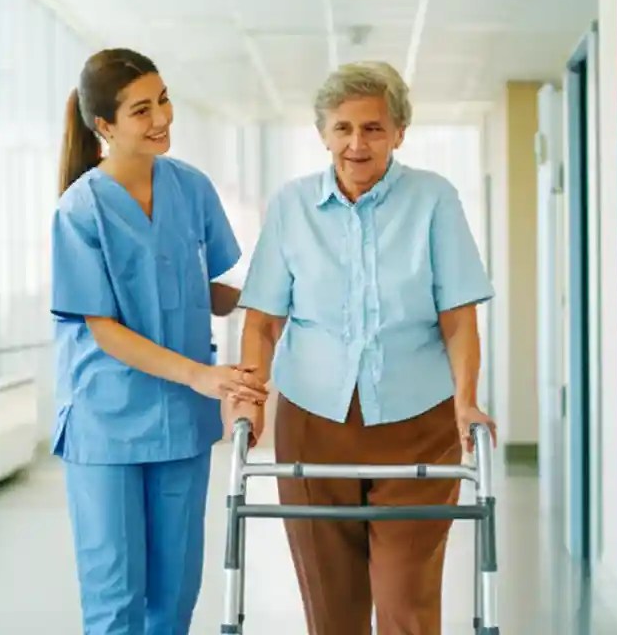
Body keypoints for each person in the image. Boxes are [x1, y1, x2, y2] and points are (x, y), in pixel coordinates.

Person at [234, 61, 497, 635]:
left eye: (374, 128)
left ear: (399, 132)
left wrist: (466, 402)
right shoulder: (291, 207)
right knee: (331, 607)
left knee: (406, 601)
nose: (357, 143)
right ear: (323, 133)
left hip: (418, 423)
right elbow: (263, 323)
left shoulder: (433, 200)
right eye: (344, 128)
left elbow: (458, 318)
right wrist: (249, 400)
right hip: (313, 424)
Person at [50, 48, 267, 635]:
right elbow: (104, 328)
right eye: (141, 110)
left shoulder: (191, 189)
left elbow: (203, 290)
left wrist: (273, 297)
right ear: (105, 125)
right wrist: (202, 375)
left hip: (180, 424)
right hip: (107, 423)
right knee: (116, 600)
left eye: (164, 100)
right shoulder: (80, 210)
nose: (162, 118)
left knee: (174, 597)